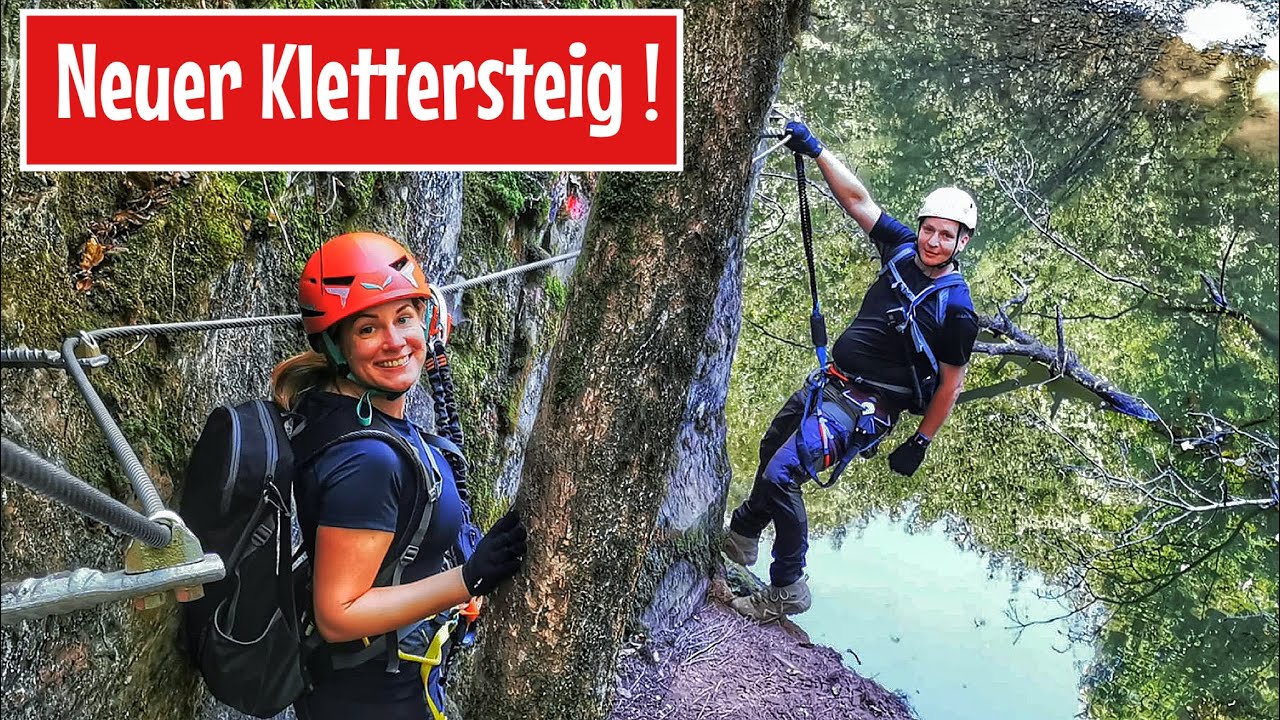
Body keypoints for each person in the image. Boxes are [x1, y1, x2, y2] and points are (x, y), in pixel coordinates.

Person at [723, 121, 980, 621]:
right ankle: (744, 535)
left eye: (945, 235)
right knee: (771, 446)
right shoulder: (902, 248)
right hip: (831, 383)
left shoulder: (958, 311)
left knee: (781, 475)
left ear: (961, 243)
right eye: (929, 228)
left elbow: (951, 384)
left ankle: (787, 586)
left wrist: (921, 442)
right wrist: (816, 150)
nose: (932, 240)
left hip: (867, 408)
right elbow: (858, 201)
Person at [272, 232, 528, 719]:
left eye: (404, 318)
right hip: (373, 698)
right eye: (367, 329)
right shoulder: (368, 461)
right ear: (336, 344)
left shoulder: (339, 411)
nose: (395, 341)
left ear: (428, 321)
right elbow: (337, 614)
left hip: (373, 682)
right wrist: (467, 579)